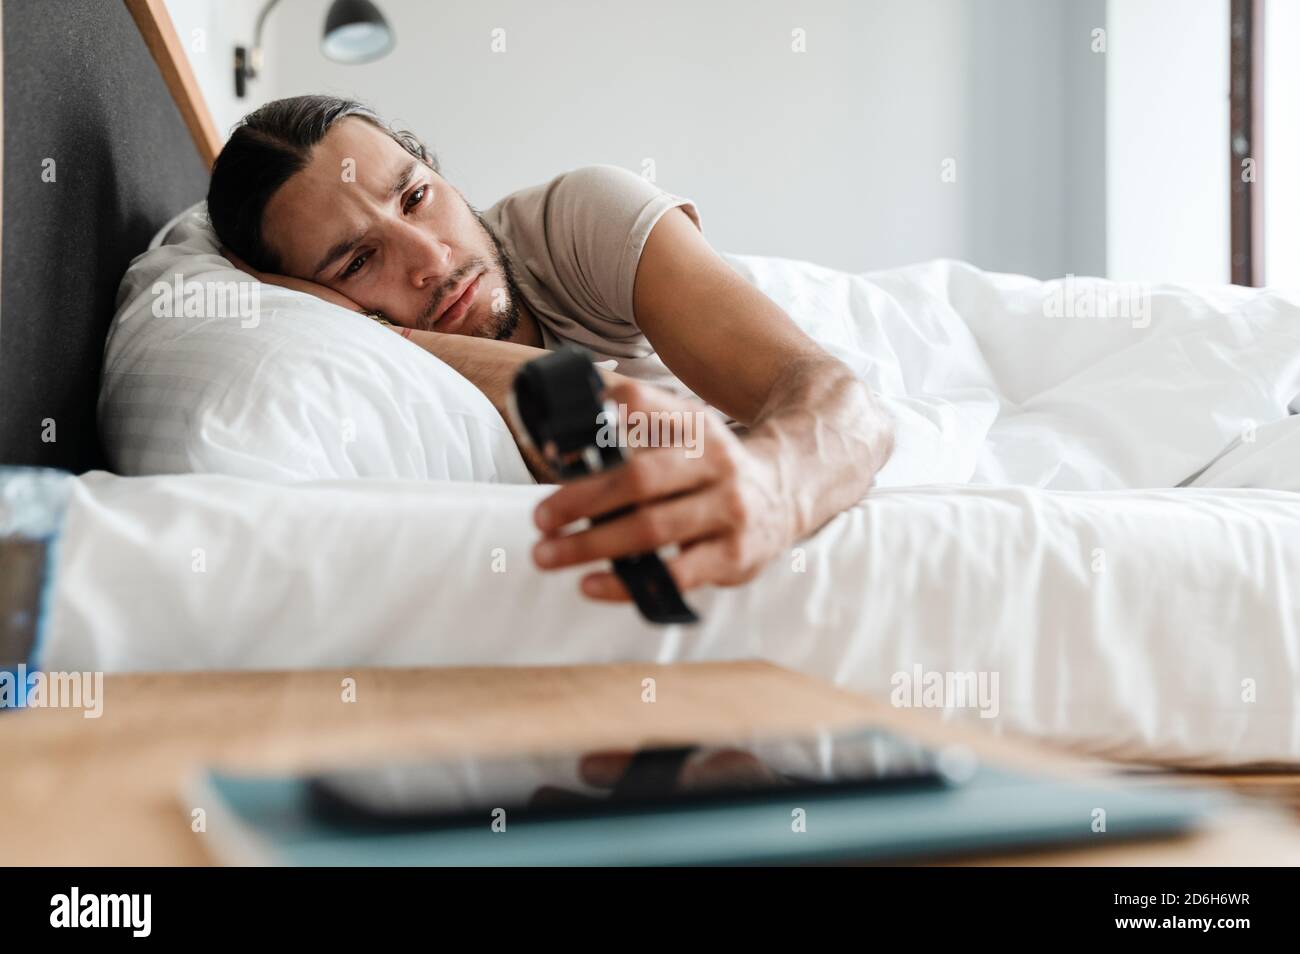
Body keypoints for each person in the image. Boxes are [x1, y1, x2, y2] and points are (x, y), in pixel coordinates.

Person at [206, 95, 893, 604]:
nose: (431, 256)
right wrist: (383, 337)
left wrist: (775, 487)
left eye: (416, 196)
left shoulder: (582, 219)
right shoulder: (361, 370)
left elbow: (842, 402)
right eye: (357, 261)